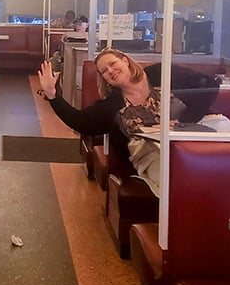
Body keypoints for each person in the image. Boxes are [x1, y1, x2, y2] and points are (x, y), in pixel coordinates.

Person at [37, 48, 219, 196]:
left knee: (215, 166)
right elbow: (79, 122)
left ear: (125, 60)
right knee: (181, 175)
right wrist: (52, 95)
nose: (110, 71)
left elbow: (209, 85)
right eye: (104, 71)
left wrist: (181, 123)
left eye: (112, 64)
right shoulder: (112, 106)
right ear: (105, 80)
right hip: (152, 155)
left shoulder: (160, 73)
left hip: (191, 140)